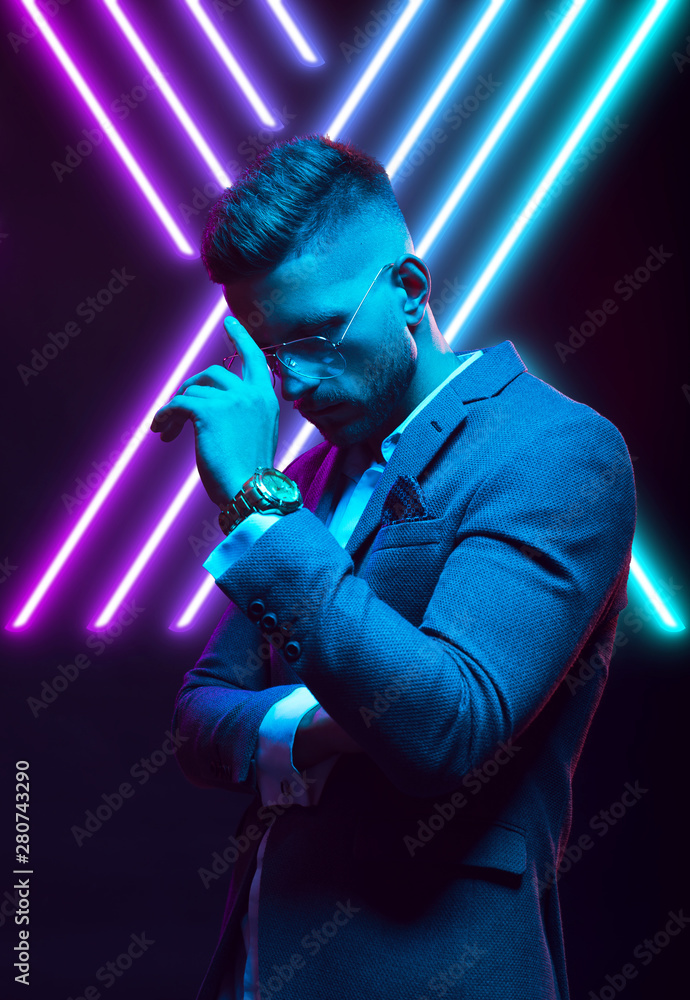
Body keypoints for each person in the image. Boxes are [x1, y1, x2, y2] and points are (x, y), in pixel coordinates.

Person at [151, 134, 637, 1000]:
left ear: (408, 291)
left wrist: (259, 507)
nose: (291, 382)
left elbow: (444, 728)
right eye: (268, 352)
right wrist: (323, 723)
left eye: (316, 336)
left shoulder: (556, 451)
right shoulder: (308, 487)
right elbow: (195, 717)